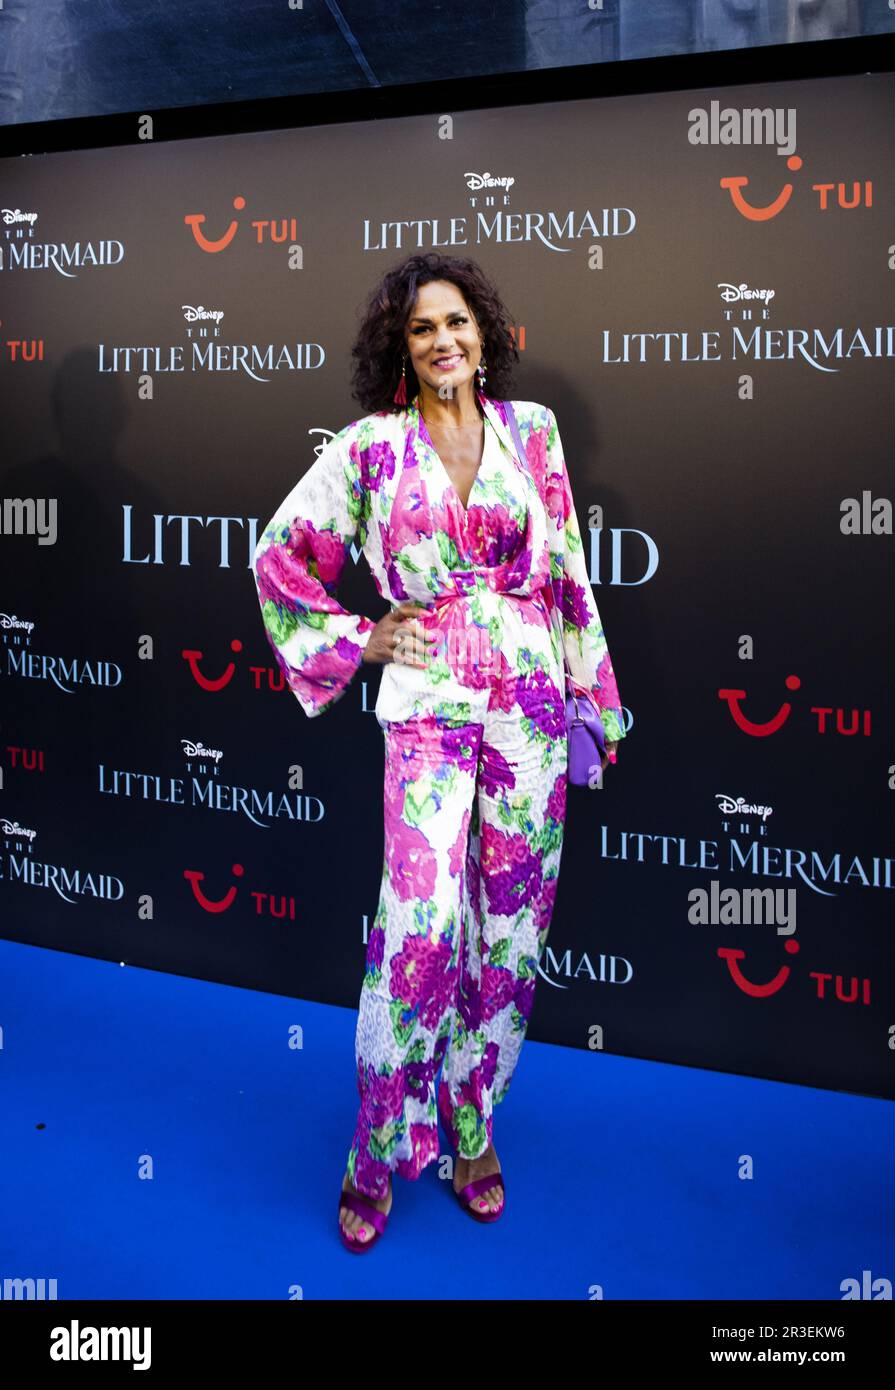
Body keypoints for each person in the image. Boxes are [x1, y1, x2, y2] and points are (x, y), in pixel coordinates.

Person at [251, 251, 627, 1252]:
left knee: (507, 932)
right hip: (426, 706)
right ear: (401, 347)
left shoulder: (533, 432)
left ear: (484, 333)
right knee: (418, 927)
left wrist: (594, 694)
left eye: (456, 321)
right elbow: (280, 551)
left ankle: (470, 1119)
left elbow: (568, 577)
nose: (443, 340)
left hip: (531, 707)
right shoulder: (373, 448)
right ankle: (374, 1148)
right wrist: (364, 635)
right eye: (422, 328)